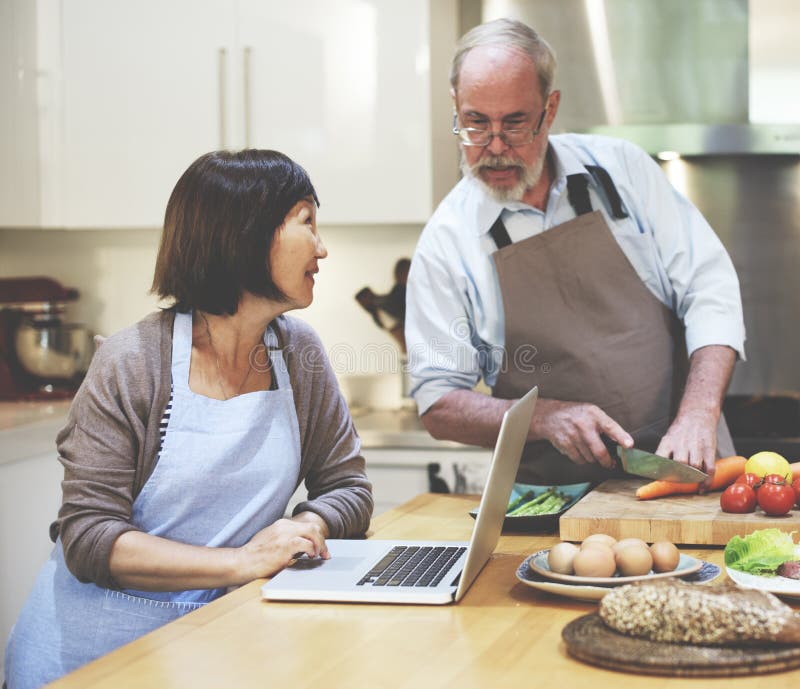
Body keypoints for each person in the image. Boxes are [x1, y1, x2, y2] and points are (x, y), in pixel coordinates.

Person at [4, 149, 373, 689]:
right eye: (306, 222)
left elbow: (348, 486)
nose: (322, 246)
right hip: (90, 661)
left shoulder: (299, 353)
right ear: (246, 234)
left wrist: (305, 528)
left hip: (216, 646)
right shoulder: (131, 363)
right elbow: (88, 537)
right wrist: (243, 562)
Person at [405, 18, 745, 486]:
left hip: (685, 470)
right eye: (476, 123)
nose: (495, 147)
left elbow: (711, 288)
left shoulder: (621, 171)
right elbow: (439, 403)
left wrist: (698, 414)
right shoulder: (446, 242)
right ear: (456, 108)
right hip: (552, 503)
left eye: (516, 123)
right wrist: (545, 417)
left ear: (550, 108)